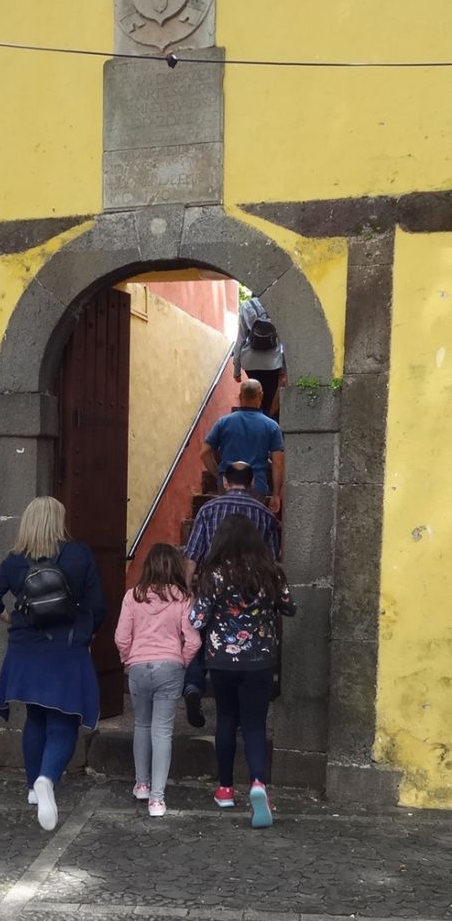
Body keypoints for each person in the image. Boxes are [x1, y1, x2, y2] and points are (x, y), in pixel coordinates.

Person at [0, 496, 106, 832]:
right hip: (66, 650)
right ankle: (46, 780)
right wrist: (85, 635)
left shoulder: (15, 560)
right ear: (59, 520)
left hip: (26, 651)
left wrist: (9, 618)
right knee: (63, 721)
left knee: (35, 716)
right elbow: (98, 607)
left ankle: (33, 786)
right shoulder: (79, 555)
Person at [189, 514, 296, 826]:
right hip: (260, 660)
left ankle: (224, 789)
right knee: (254, 725)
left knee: (226, 719)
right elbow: (290, 606)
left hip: (221, 661)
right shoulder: (271, 573)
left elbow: (196, 619)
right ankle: (258, 783)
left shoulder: (215, 575)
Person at [182, 461, 280, 729]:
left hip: (211, 587)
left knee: (200, 638)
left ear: (225, 481)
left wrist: (188, 587)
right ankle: (237, 712)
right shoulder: (265, 515)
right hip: (251, 593)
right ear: (252, 483)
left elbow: (192, 553)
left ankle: (193, 684)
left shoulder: (208, 510)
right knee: (240, 651)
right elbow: (271, 562)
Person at [115, 543, 201, 818]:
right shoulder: (183, 598)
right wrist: (181, 661)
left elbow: (121, 637)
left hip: (139, 666)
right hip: (170, 666)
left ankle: (141, 784)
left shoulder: (132, 596)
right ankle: (157, 800)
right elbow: (194, 640)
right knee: (162, 731)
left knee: (141, 724)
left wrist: (129, 658)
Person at [200, 380, 285, 512]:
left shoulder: (223, 422)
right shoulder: (271, 426)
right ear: (261, 396)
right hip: (256, 486)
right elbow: (278, 463)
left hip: (228, 486)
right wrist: (276, 495)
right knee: (252, 528)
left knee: (228, 527)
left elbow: (204, 452)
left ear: (240, 397)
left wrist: (219, 475)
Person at [233, 293, 287, 419]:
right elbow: (287, 339)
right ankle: (267, 422)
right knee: (269, 399)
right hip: (272, 363)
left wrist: (236, 371)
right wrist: (285, 366)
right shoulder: (279, 304)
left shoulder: (246, 306)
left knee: (254, 396)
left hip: (250, 362)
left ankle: (254, 422)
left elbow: (240, 339)